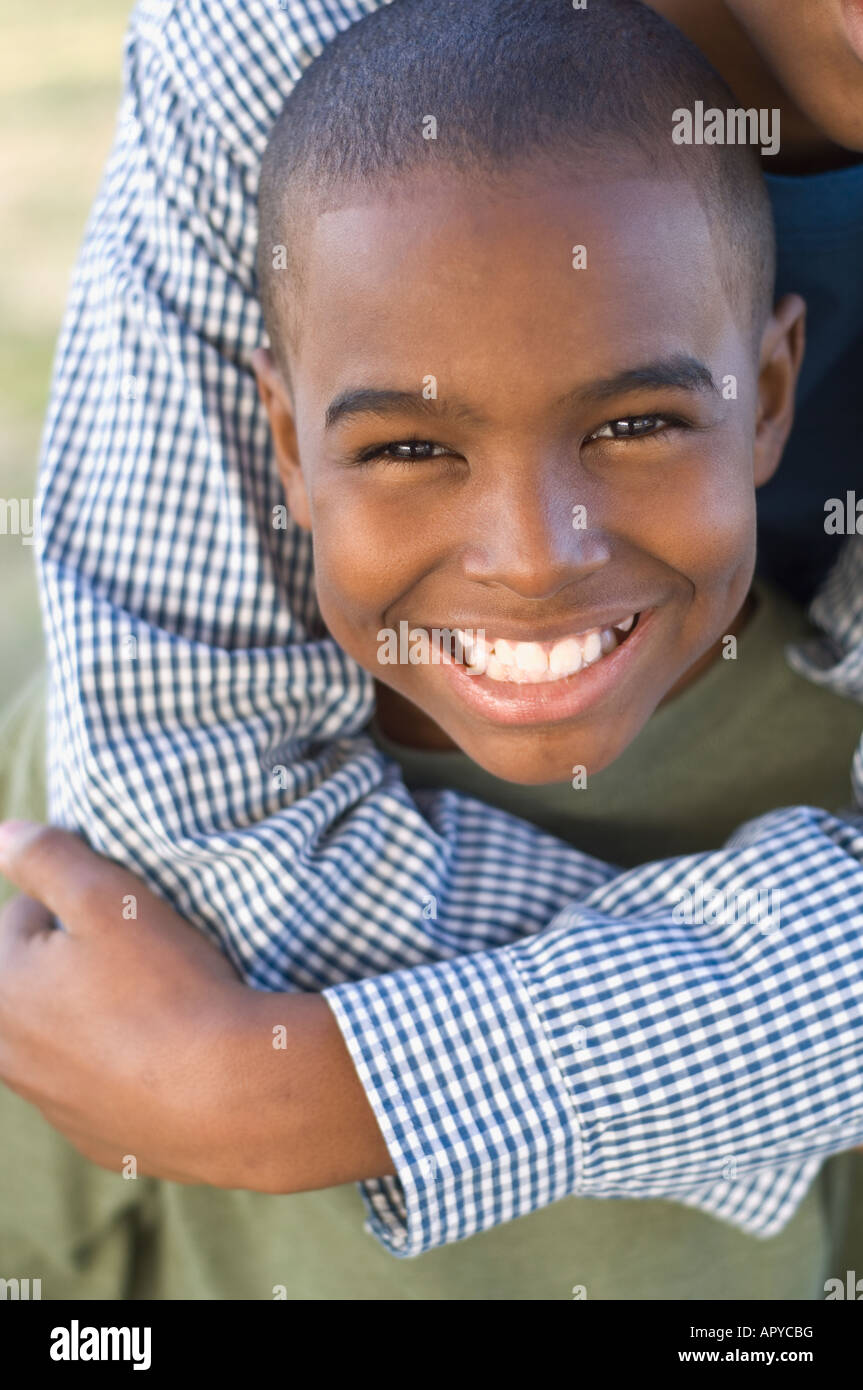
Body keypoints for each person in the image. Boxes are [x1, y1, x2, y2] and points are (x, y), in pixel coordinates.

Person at [0, 0, 861, 1298]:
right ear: (280, 443)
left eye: (637, 425)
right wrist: (754, 1017)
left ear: (771, 396)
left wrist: (306, 1080)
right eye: (412, 447)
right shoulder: (71, 810)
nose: (532, 552)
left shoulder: (807, 749)